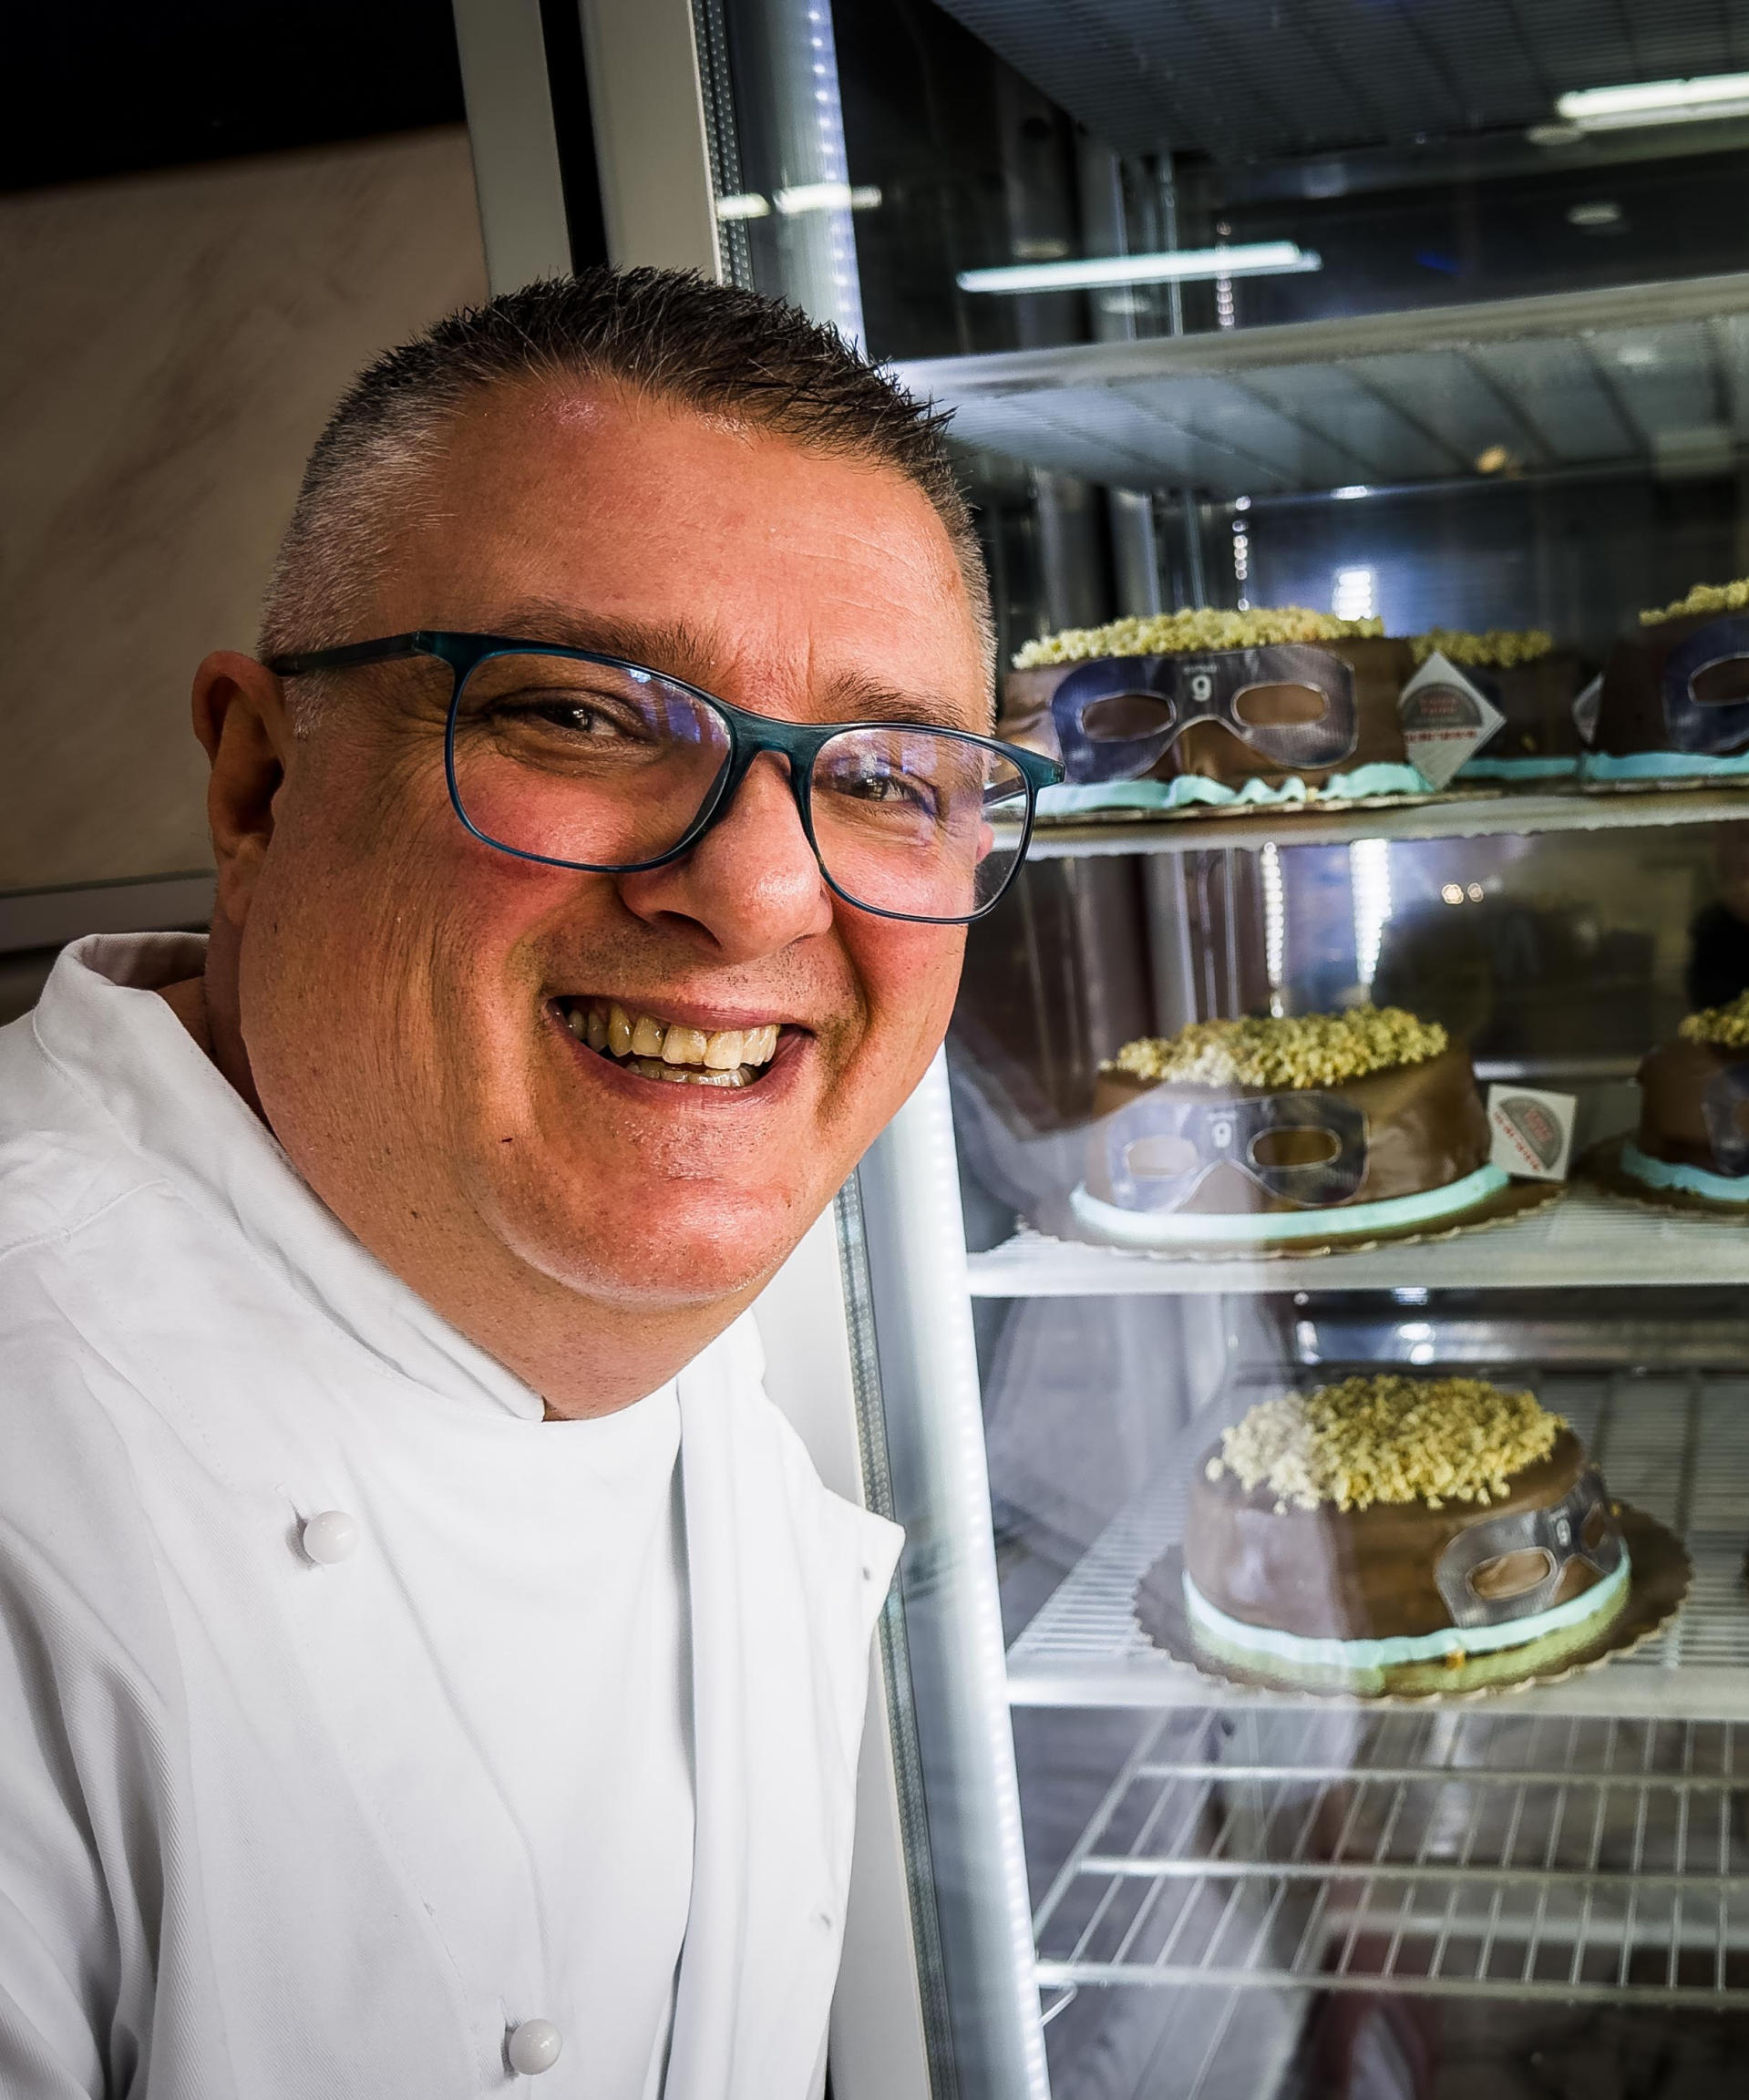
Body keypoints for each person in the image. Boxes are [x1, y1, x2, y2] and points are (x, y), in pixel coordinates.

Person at [0, 270, 1050, 2096]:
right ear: (257, 785)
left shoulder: (689, 1321)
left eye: (885, 777)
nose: (761, 892)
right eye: (583, 715)